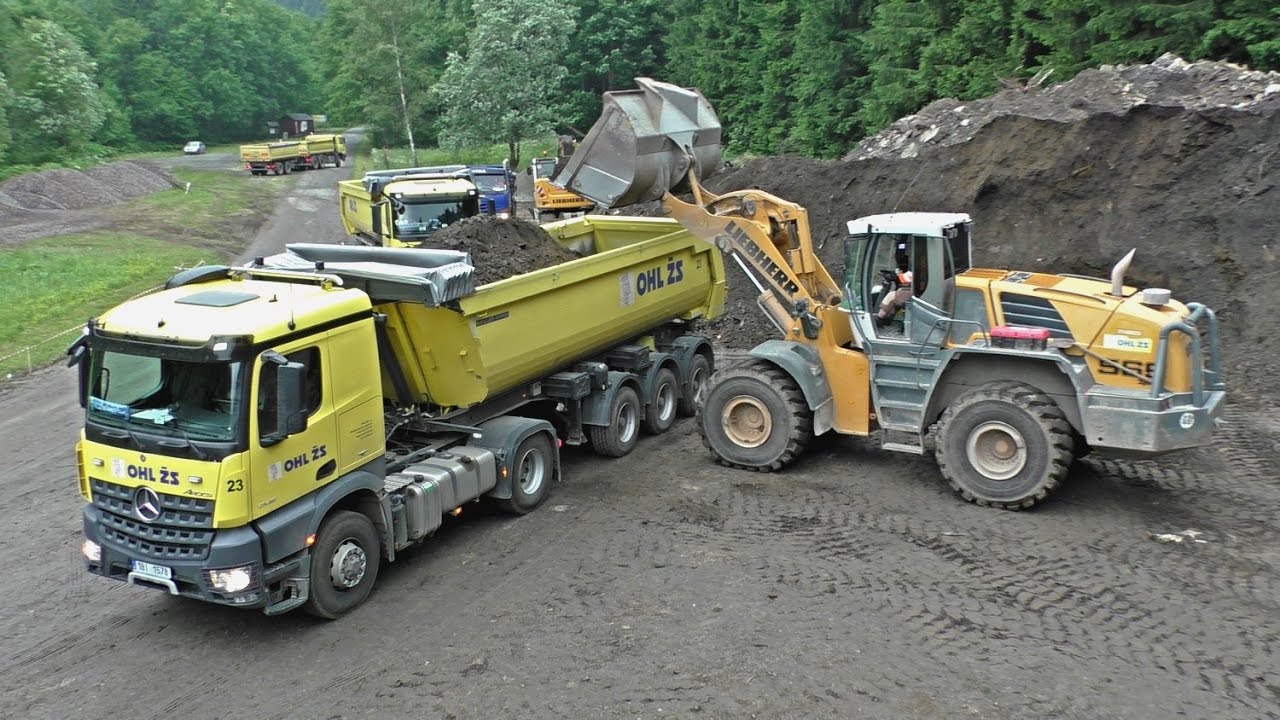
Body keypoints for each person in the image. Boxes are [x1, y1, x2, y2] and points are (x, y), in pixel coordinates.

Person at [876, 256, 913, 327]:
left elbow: (904, 279)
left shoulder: (914, 271)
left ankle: (879, 318)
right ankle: (888, 318)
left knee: (891, 296)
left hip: (911, 293)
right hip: (911, 292)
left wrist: (898, 275)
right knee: (895, 300)